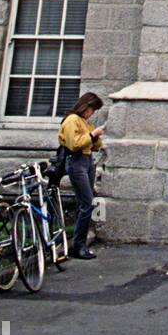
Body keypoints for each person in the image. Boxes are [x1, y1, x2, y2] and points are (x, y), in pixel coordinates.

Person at [59, 91, 105, 259]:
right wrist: (92, 135)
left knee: (84, 202)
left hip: (87, 160)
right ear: (86, 106)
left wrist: (94, 136)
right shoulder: (72, 120)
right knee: (87, 202)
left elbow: (95, 145)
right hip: (76, 161)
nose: (92, 113)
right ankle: (78, 246)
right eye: (92, 109)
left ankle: (79, 244)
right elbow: (74, 144)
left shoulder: (85, 122)